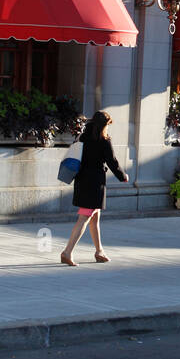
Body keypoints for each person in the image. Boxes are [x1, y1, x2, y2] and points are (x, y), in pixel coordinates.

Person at [60, 110, 127, 266]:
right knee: (84, 217)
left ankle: (99, 251)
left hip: (82, 179)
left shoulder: (82, 137)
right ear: (104, 126)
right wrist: (123, 176)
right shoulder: (104, 141)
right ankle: (67, 252)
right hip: (95, 183)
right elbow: (112, 162)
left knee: (94, 217)